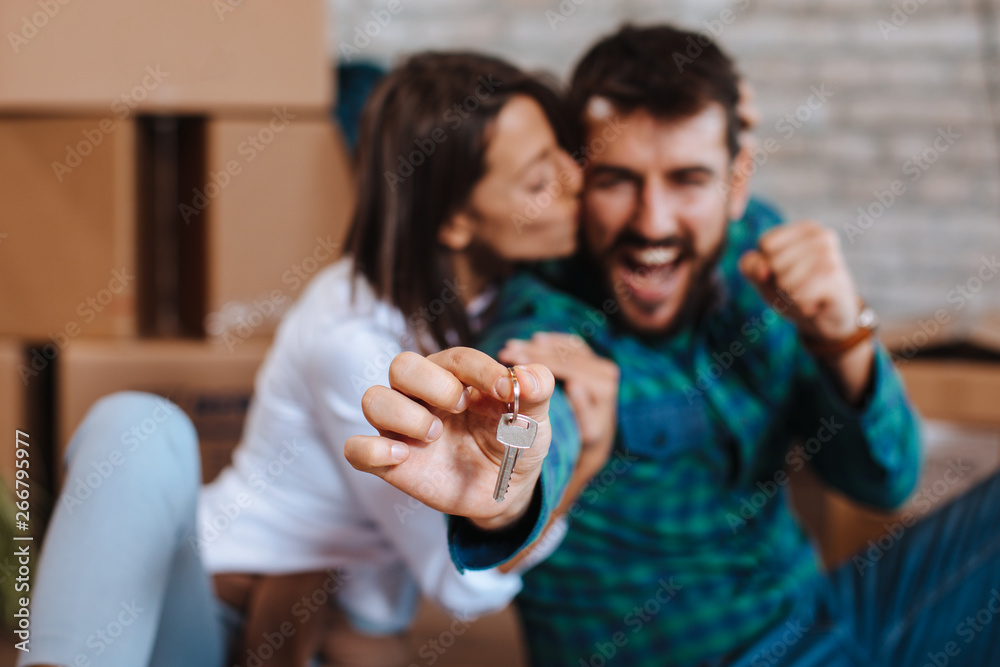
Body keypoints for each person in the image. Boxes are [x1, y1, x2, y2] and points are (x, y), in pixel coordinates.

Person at [346, 25, 1000, 666]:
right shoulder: (542, 315)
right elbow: (546, 421)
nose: (652, 221)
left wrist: (845, 332)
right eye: (618, 180)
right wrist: (508, 487)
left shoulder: (762, 251)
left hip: (833, 616)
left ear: (736, 180)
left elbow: (887, 482)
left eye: (688, 179)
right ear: (578, 181)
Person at [24, 52, 617, 667]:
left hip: (331, 626)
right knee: (136, 425)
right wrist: (588, 459)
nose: (579, 184)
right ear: (457, 221)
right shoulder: (353, 343)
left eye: (566, 157)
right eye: (539, 182)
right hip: (215, 618)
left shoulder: (502, 295)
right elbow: (461, 583)